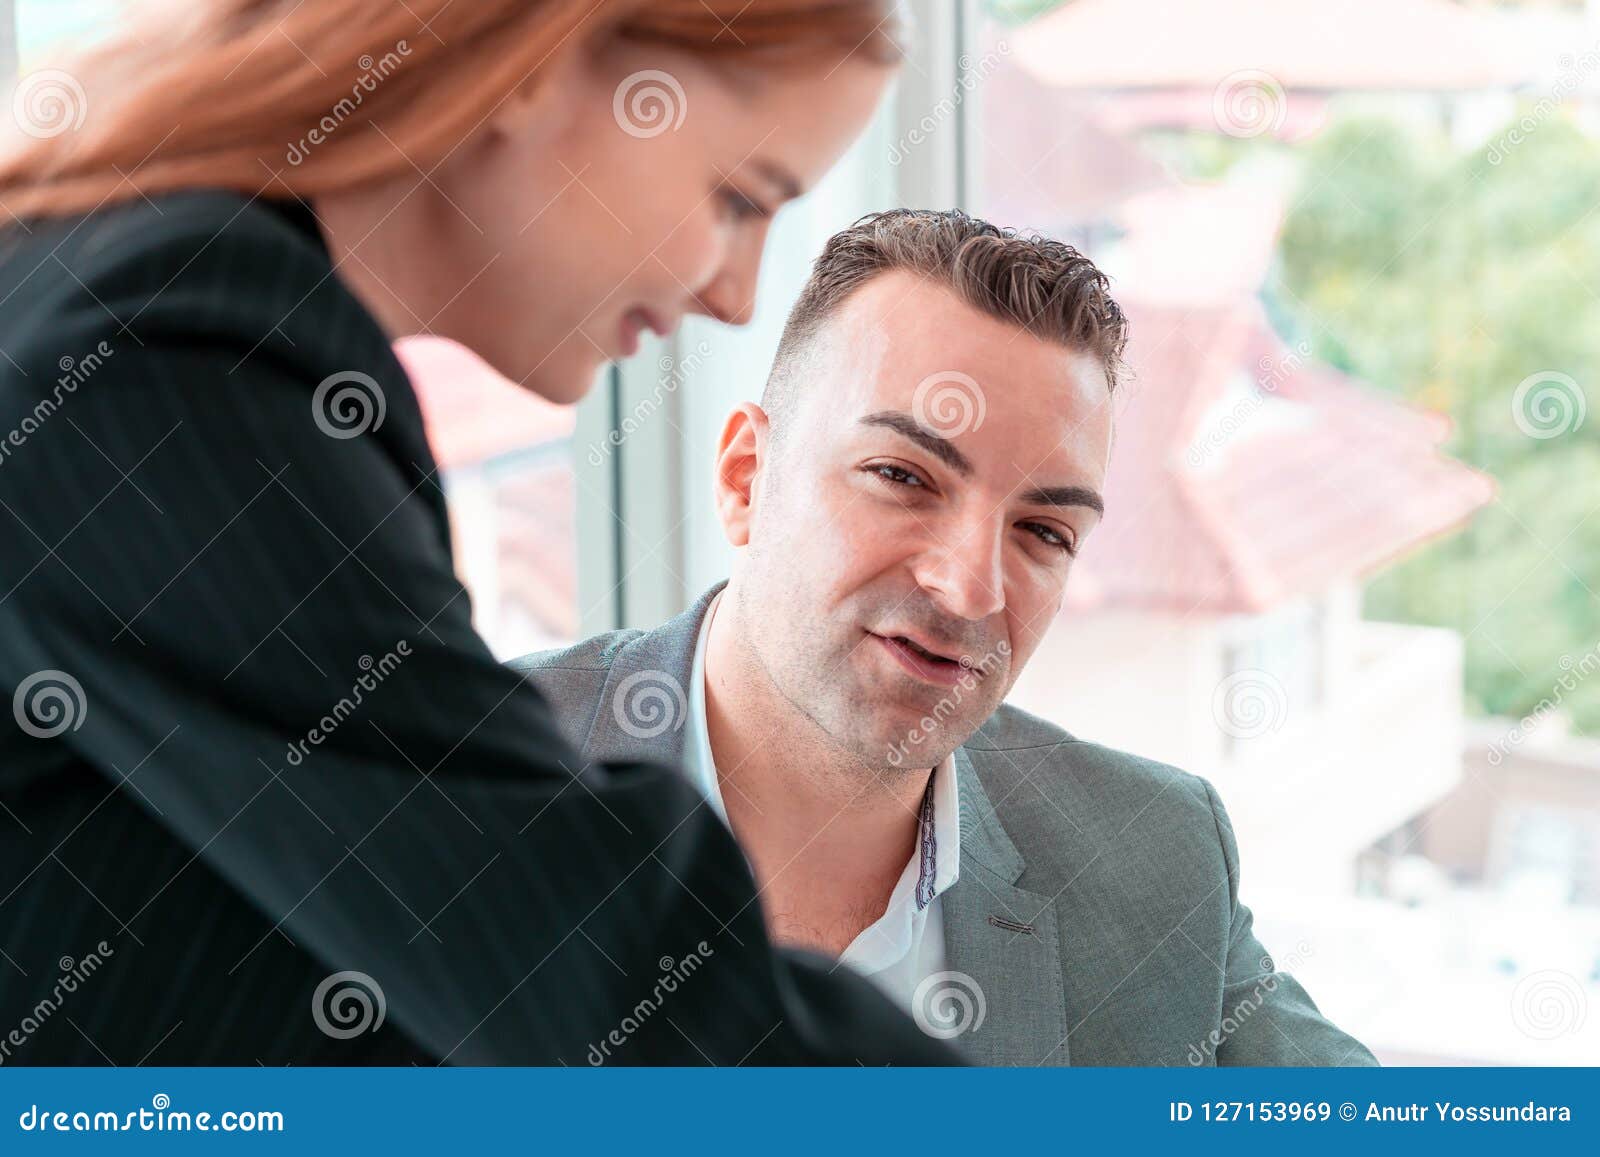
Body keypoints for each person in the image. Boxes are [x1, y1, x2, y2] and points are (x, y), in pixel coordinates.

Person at [0, 0, 959, 1065]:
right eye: (737, 196)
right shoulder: (175, 354)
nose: (737, 298)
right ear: (540, 60)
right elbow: (571, 951)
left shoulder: (141, 289)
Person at [511, 209, 1380, 1066]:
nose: (969, 587)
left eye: (1043, 531)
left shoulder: (1155, 857)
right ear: (747, 478)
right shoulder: (454, 784)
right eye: (902, 477)